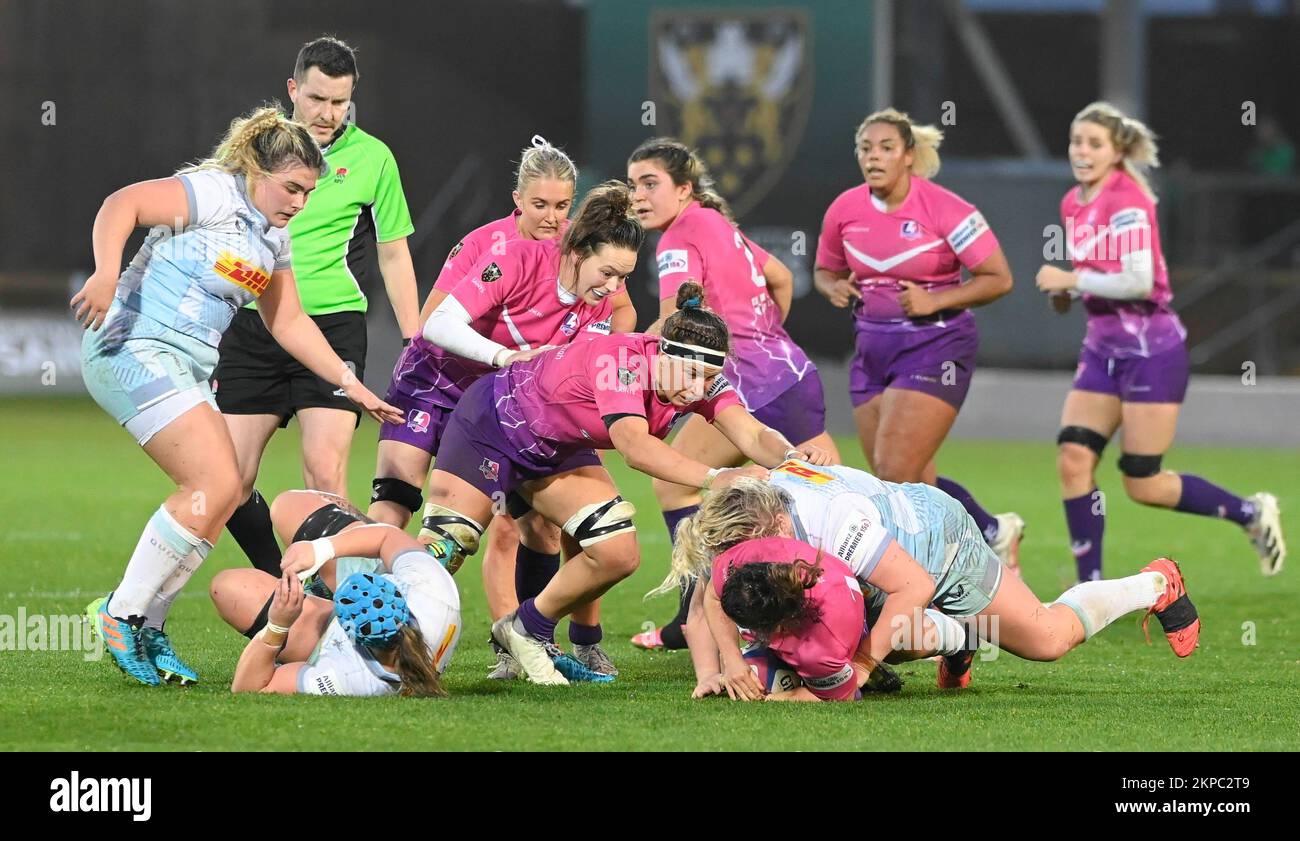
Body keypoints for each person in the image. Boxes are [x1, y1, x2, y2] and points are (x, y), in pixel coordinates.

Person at [74, 105, 402, 687]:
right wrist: (104, 273)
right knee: (215, 484)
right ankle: (122, 612)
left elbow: (290, 321)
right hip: (133, 345)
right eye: (293, 187)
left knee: (221, 495)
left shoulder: (272, 237)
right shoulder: (214, 192)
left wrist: (350, 384)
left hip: (186, 364)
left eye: (309, 192)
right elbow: (119, 204)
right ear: (257, 168)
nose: (300, 203)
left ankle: (148, 624)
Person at [424, 278, 832, 686]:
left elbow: (751, 432)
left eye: (708, 378)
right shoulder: (622, 360)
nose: (697, 390)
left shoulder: (698, 377)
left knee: (617, 552)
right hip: (492, 425)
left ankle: (526, 629)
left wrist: (791, 458)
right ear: (663, 353)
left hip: (554, 451)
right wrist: (716, 477)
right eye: (691, 374)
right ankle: (390, 644)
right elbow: (634, 447)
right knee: (448, 544)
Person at [371, 143, 634, 678]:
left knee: (536, 529)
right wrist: (506, 358)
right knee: (403, 510)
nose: (552, 217)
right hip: (439, 384)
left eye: (562, 206)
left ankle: (525, 642)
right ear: (518, 200)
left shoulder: (584, 258)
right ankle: (364, 624)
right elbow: (434, 323)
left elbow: (618, 311)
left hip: (512, 402)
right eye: (540, 205)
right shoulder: (495, 249)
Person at [659, 462, 1199, 701]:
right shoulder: (744, 524)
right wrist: (718, 668)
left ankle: (1154, 584)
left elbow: (911, 585)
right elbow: (713, 594)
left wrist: (861, 668)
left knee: (1046, 640)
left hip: (936, 541)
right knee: (886, 639)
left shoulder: (832, 522)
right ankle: (956, 642)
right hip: (880, 565)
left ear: (776, 528)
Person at [1035, 101, 1285, 581]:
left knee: (1142, 482)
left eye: (1093, 143)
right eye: (1075, 141)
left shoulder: (1128, 199)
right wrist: (1069, 294)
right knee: (1073, 458)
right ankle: (1090, 588)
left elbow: (1139, 282)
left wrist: (1071, 281)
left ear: (1117, 151)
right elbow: (1097, 277)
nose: (1081, 152)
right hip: (1102, 349)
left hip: (1152, 352)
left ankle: (1249, 513)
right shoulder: (1073, 202)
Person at [216, 36, 419, 579]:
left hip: (332, 328)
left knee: (325, 473)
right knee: (227, 484)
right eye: (316, 99)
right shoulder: (253, 154)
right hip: (254, 325)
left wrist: (414, 339)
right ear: (292, 90)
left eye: (339, 102)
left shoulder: (373, 158)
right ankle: (291, 581)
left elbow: (394, 253)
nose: (327, 114)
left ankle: (347, 605)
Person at [625, 137, 840, 652]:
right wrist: (763, 335)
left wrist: (619, 354)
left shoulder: (678, 239)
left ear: (683, 189)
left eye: (650, 183)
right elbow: (782, 277)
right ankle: (855, 607)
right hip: (794, 374)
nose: (638, 196)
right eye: (633, 185)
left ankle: (695, 615)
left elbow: (679, 320)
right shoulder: (719, 223)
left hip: (751, 388)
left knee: (672, 484)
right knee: (832, 497)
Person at [813, 108, 1024, 573]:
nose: (874, 157)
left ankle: (923, 590)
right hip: (871, 351)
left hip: (936, 347)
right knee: (907, 483)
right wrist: (833, 287)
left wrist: (936, 300)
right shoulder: (844, 209)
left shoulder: (947, 208)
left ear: (909, 156)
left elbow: (999, 278)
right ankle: (993, 531)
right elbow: (825, 270)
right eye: (865, 149)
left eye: (886, 148)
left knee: (892, 474)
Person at [210, 489, 460, 696]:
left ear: (348, 632)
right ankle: (321, 584)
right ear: (399, 599)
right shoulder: (431, 591)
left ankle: (315, 594)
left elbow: (248, 688)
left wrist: (278, 625)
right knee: (290, 505)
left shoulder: (347, 677)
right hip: (403, 612)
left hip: (330, 639)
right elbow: (388, 535)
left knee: (228, 589)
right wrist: (320, 550)